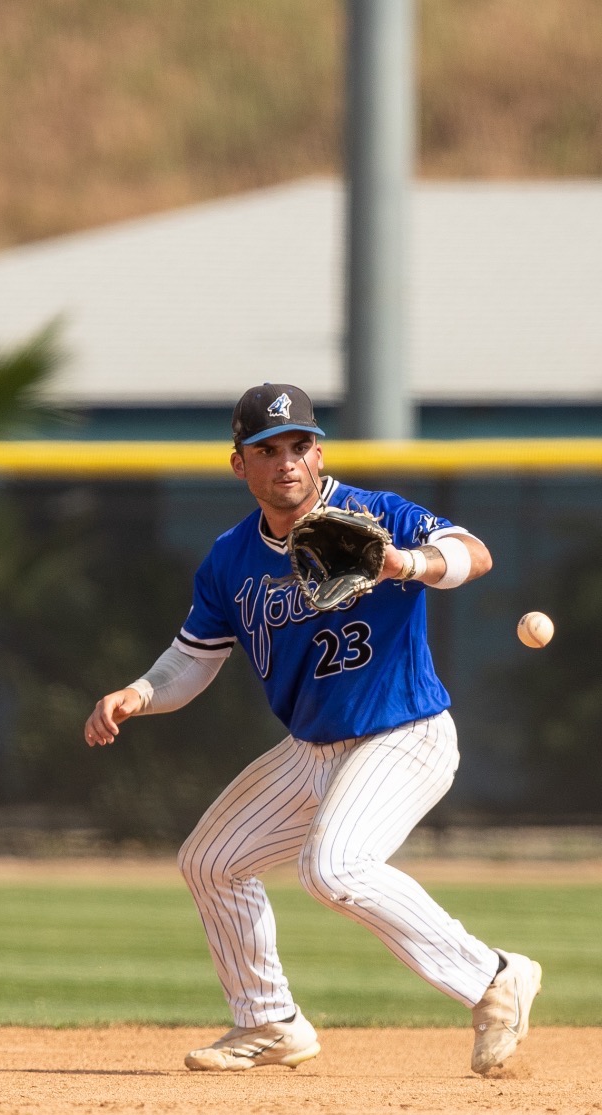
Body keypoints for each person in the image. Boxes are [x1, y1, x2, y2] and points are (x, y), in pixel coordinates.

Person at [83, 382, 542, 1075]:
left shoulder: (373, 515)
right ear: (240, 464)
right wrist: (139, 693)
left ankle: (494, 976)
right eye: (268, 449)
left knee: (334, 868)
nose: (287, 460)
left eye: (300, 445)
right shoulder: (230, 560)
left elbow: (472, 551)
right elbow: (193, 659)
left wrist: (405, 563)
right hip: (311, 749)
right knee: (210, 861)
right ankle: (269, 1021)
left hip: (404, 732)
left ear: (318, 451)